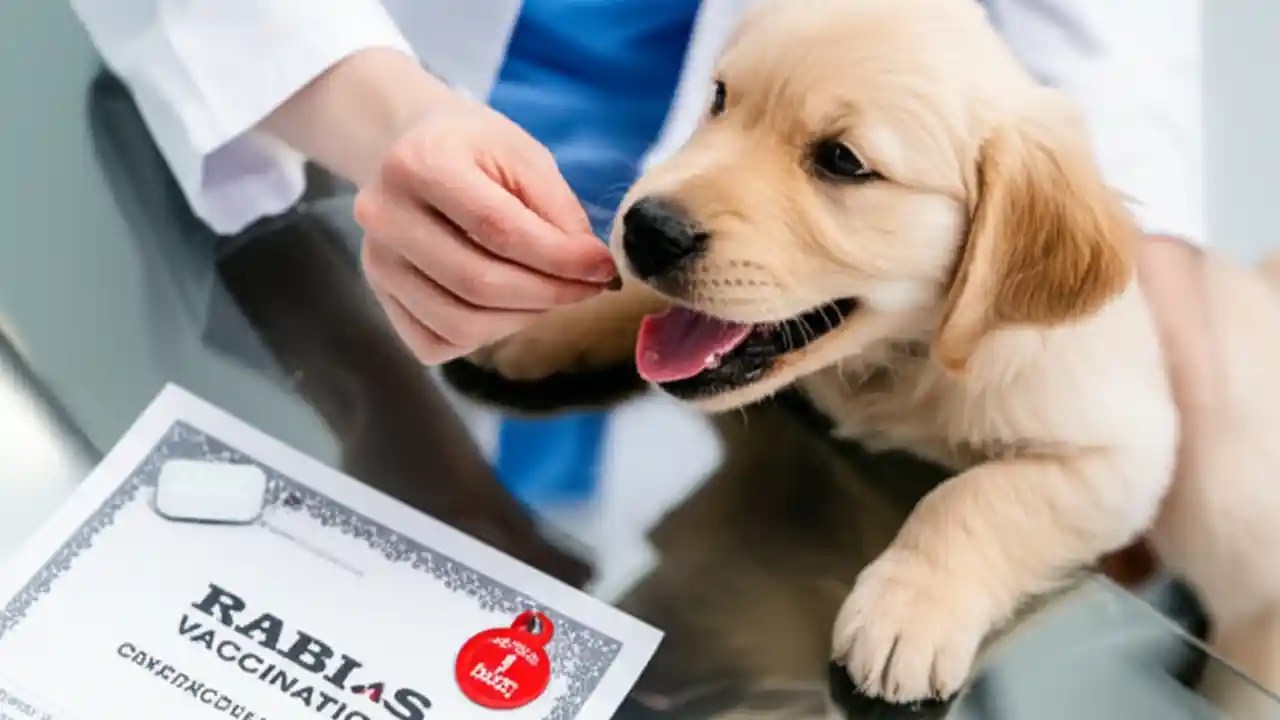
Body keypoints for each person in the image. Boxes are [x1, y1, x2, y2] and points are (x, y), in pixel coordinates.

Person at [72, 0, 1211, 515]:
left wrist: (1159, 303)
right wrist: (367, 108)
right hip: (292, 169)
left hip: (741, 415)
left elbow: (1112, 36)